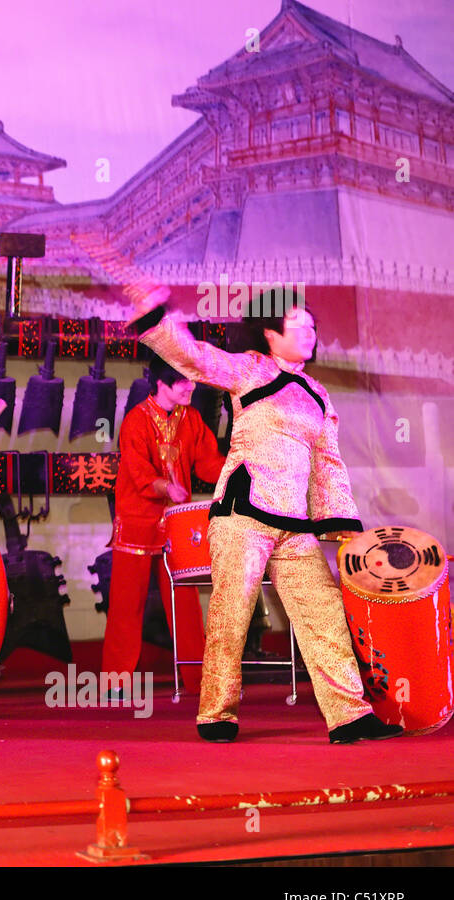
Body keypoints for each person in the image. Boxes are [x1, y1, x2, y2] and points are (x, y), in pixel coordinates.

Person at [130, 289, 400, 744]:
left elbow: (328, 465)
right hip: (244, 514)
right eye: (299, 322)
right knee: (232, 612)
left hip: (295, 527)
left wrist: (341, 528)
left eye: (313, 323)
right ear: (271, 333)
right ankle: (217, 713)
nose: (311, 330)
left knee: (325, 615)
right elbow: (196, 358)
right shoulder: (251, 369)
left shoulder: (318, 393)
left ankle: (350, 716)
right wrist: (155, 321)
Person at [102, 354, 225, 696]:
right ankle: (115, 682)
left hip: (176, 523)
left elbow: (207, 464)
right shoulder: (135, 421)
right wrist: (165, 486)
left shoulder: (192, 419)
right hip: (138, 520)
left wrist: (237, 470)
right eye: (183, 381)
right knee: (128, 603)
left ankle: (200, 680)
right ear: (162, 382)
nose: (192, 386)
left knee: (184, 601)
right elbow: (139, 473)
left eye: (192, 379)